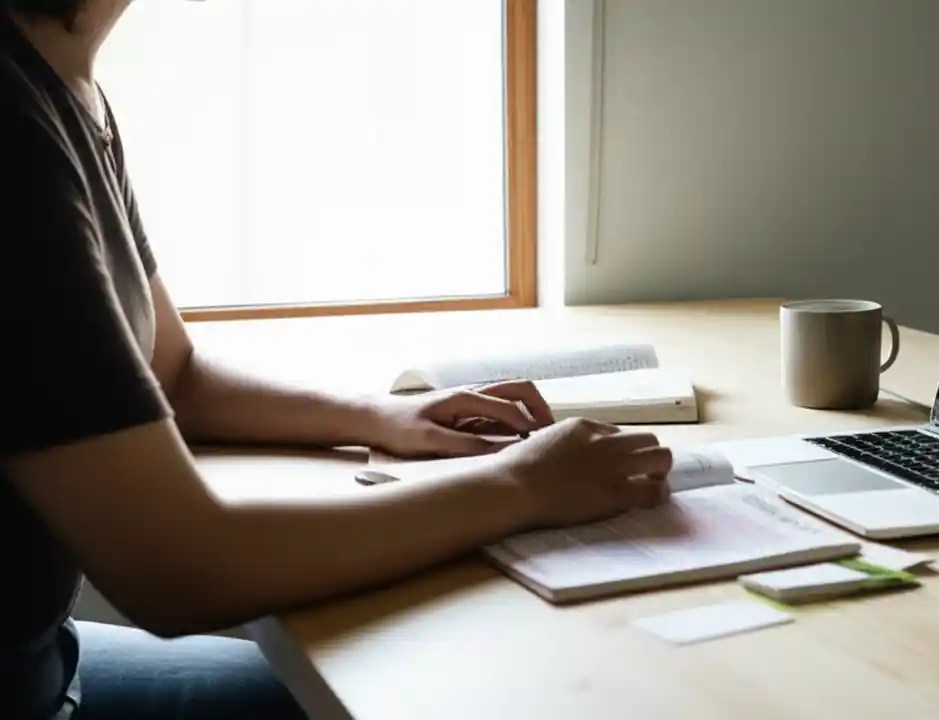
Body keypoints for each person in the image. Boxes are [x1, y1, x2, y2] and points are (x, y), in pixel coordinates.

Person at [0, 1, 674, 718]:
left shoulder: (64, 84)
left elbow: (172, 372)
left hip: (46, 654)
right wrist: (525, 485)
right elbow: (181, 570)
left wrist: (381, 416)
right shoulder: (11, 127)